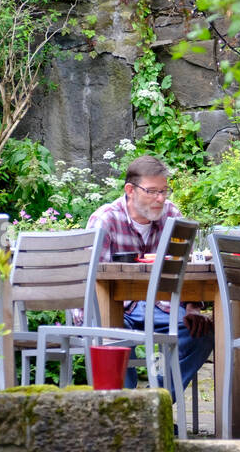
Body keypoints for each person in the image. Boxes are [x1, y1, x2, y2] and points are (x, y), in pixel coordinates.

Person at [86, 155, 215, 392]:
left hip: (159, 307)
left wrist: (192, 306)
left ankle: (157, 402)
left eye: (165, 191)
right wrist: (97, 321)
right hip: (114, 309)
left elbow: (183, 270)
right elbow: (92, 283)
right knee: (112, 336)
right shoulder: (106, 220)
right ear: (130, 190)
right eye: (153, 191)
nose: (161, 198)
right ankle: (124, 412)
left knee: (202, 332)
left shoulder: (171, 215)